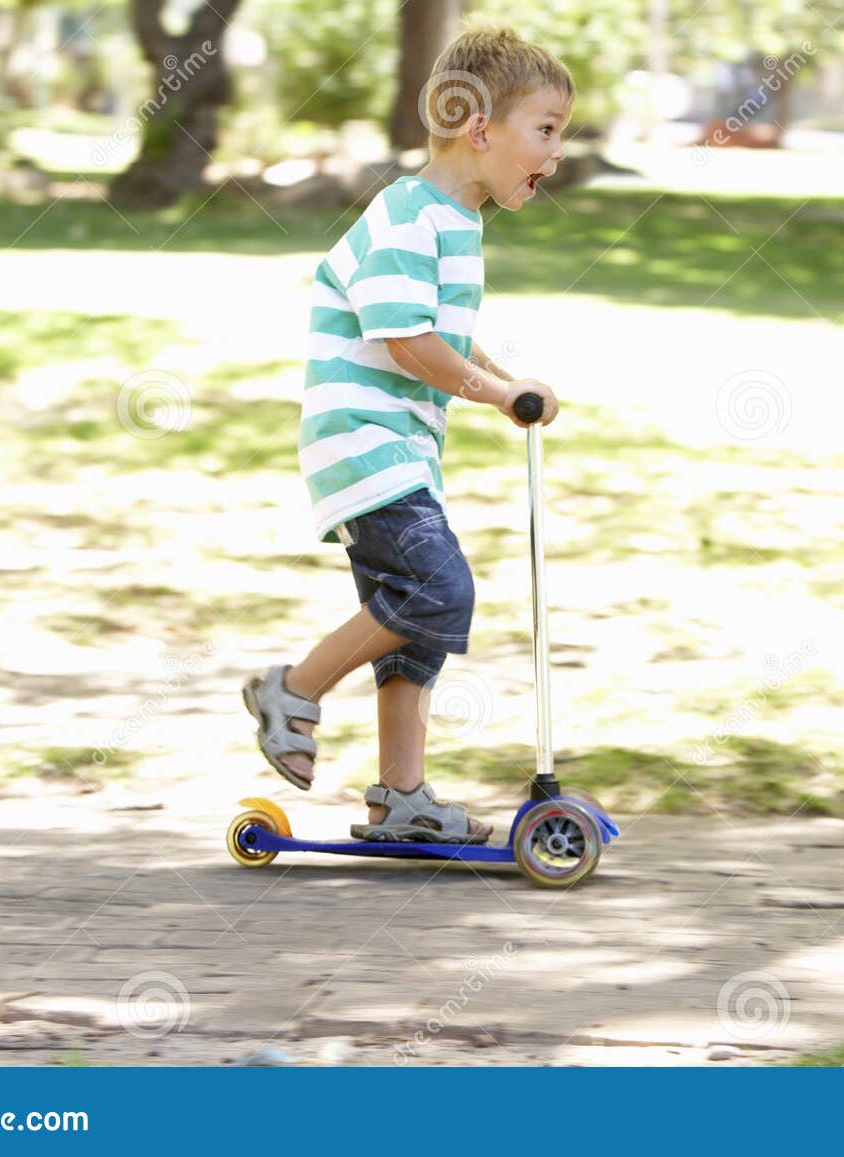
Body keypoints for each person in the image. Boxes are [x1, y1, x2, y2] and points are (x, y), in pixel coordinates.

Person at [242, 23, 572, 845]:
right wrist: (496, 393)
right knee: (440, 592)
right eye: (547, 129)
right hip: (363, 438)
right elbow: (405, 342)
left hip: (397, 443)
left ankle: (402, 799)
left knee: (414, 628)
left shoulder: (457, 221)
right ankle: (294, 687)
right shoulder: (407, 214)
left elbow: (443, 340)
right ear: (480, 128)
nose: (556, 154)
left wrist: (507, 381)